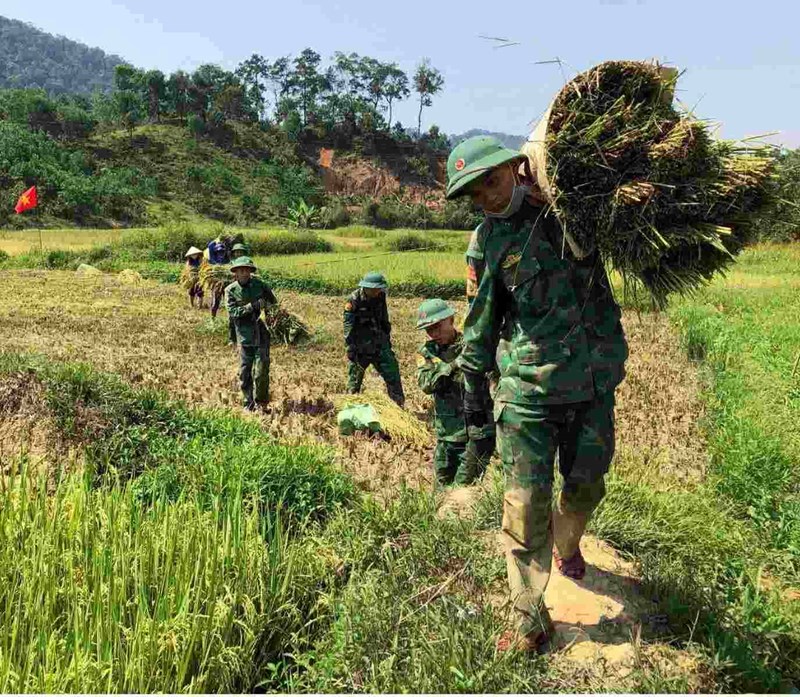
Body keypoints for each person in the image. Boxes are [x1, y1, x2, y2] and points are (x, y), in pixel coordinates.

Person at [446, 135, 629, 653]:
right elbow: (480, 320)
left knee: (587, 484)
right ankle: (529, 616)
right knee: (525, 504)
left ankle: (568, 544)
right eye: (474, 194)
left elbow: (632, 230)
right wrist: (474, 389)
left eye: (492, 181)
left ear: (517, 167)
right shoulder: (486, 244)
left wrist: (574, 196)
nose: (486, 197)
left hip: (592, 380)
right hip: (528, 386)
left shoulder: (573, 211)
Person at [416, 299, 493, 487]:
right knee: (440, 489)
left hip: (475, 434)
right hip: (446, 434)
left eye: (437, 327)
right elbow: (427, 383)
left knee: (463, 491)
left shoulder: (472, 345)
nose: (433, 334)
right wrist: (455, 365)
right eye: (428, 330)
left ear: (451, 319)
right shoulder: (427, 351)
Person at [343, 272, 405, 407]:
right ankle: (350, 408)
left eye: (380, 288)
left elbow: (384, 319)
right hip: (361, 347)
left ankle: (398, 407)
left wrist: (387, 341)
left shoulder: (381, 296)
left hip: (379, 344)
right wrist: (351, 348)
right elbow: (348, 326)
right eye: (376, 289)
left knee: (393, 374)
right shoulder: (353, 300)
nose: (378, 291)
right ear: (366, 288)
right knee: (354, 380)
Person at [225, 256, 277, 412]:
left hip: (261, 334)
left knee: (262, 370)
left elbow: (273, 303)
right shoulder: (230, 290)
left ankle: (261, 403)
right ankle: (248, 403)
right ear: (236, 273)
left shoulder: (260, 286)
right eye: (241, 270)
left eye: (247, 270)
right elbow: (234, 312)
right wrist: (252, 306)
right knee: (245, 372)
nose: (245, 273)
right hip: (244, 335)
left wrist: (269, 311)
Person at [207, 235, 230, 319]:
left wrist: (225, 240)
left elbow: (228, 246)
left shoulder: (227, 260)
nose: (221, 253)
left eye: (222, 252)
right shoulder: (213, 260)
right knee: (215, 303)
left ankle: (229, 319)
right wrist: (218, 238)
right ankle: (212, 319)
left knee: (228, 301)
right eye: (218, 252)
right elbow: (210, 246)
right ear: (215, 252)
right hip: (217, 285)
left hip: (227, 283)